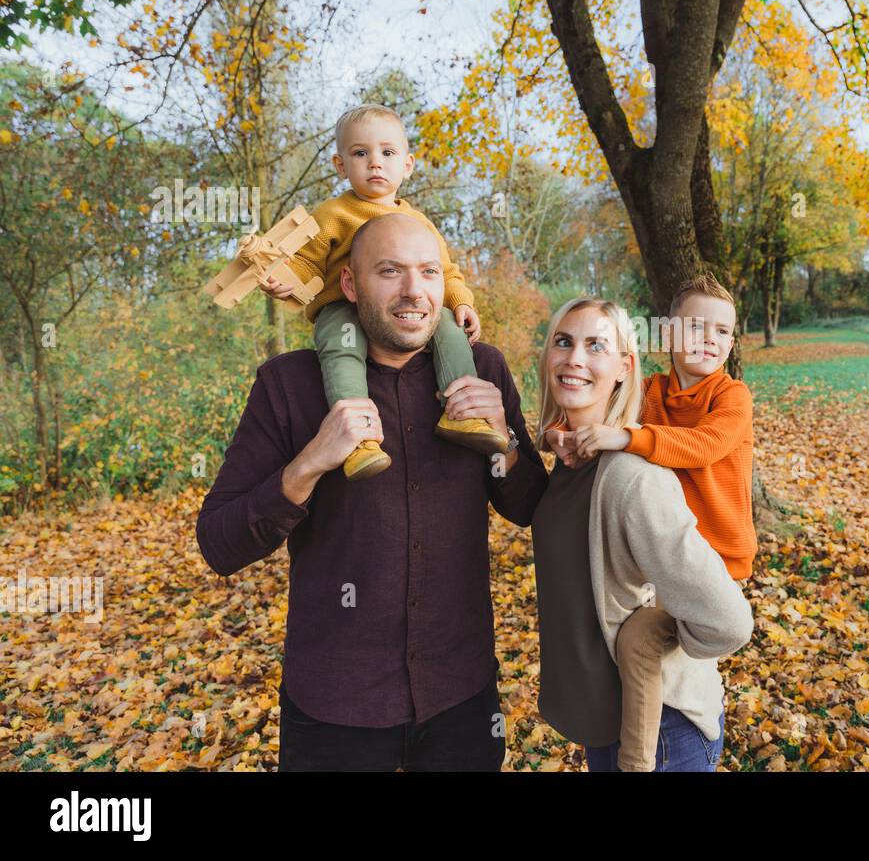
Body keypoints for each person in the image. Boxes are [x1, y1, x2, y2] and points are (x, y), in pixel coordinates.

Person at [196, 213, 548, 771]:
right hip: (335, 709)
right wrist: (309, 463)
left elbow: (528, 506)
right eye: (390, 271)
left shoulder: (482, 368)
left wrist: (503, 442)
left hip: (460, 698)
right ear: (351, 286)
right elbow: (220, 542)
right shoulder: (287, 385)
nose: (414, 291)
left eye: (428, 272)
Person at [530, 297, 753, 772]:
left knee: (642, 637)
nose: (575, 358)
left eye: (596, 346)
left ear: (623, 365)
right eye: (564, 342)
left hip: (666, 732)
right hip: (604, 717)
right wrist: (551, 435)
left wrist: (673, 632)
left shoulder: (635, 473)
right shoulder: (578, 454)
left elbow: (729, 621)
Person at [261, 103, 504, 481]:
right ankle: (358, 440)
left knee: (449, 330)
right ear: (341, 165)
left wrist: (461, 301)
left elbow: (446, 271)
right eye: (361, 153)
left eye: (387, 153)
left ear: (407, 164)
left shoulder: (419, 223)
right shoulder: (332, 214)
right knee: (343, 351)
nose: (375, 163)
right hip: (342, 308)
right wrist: (287, 278)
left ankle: (464, 412)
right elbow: (307, 260)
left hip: (409, 315)